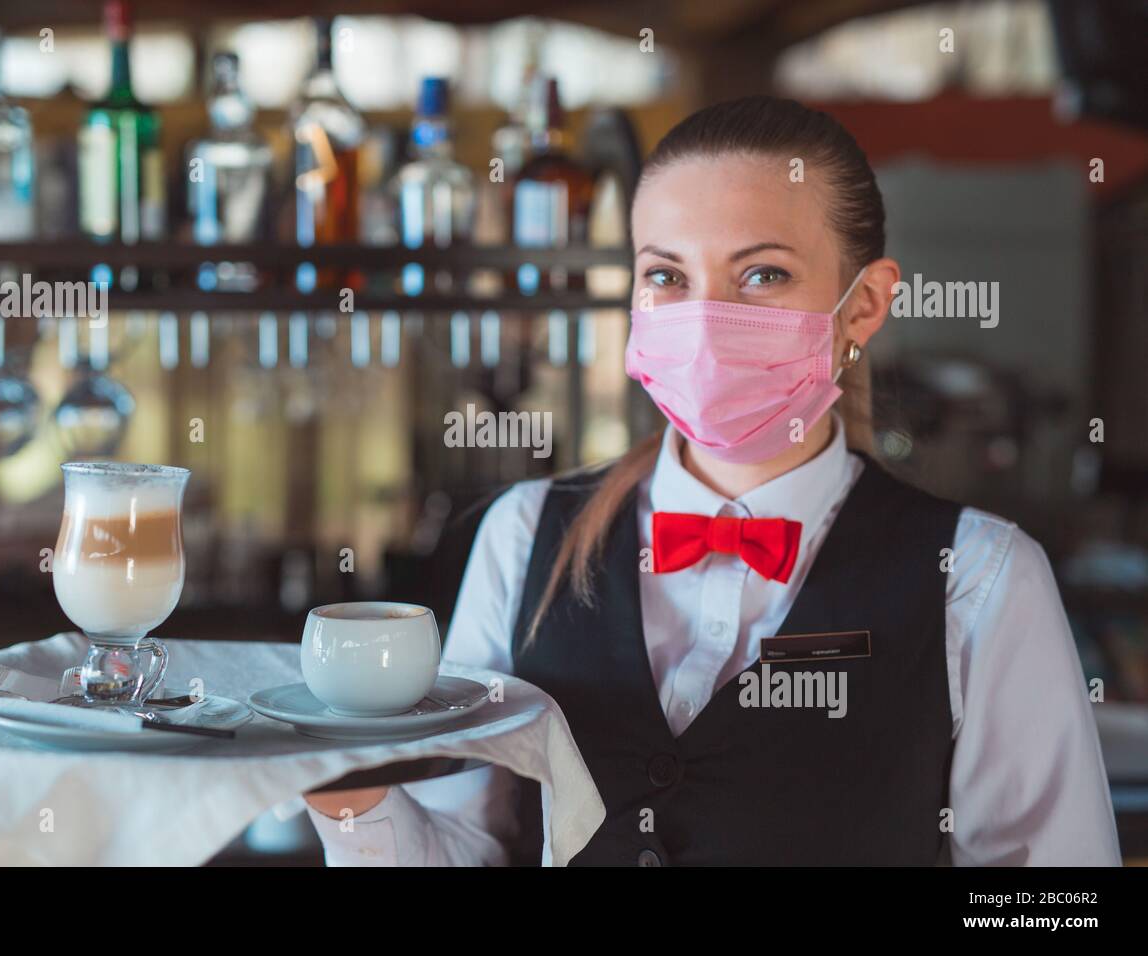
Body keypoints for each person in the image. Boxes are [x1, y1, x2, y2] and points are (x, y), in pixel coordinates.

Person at [303, 95, 1120, 866]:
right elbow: (466, 847)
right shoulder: (523, 535)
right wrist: (344, 786)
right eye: (666, 276)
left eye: (762, 275)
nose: (703, 319)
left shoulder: (979, 578)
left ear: (864, 305)